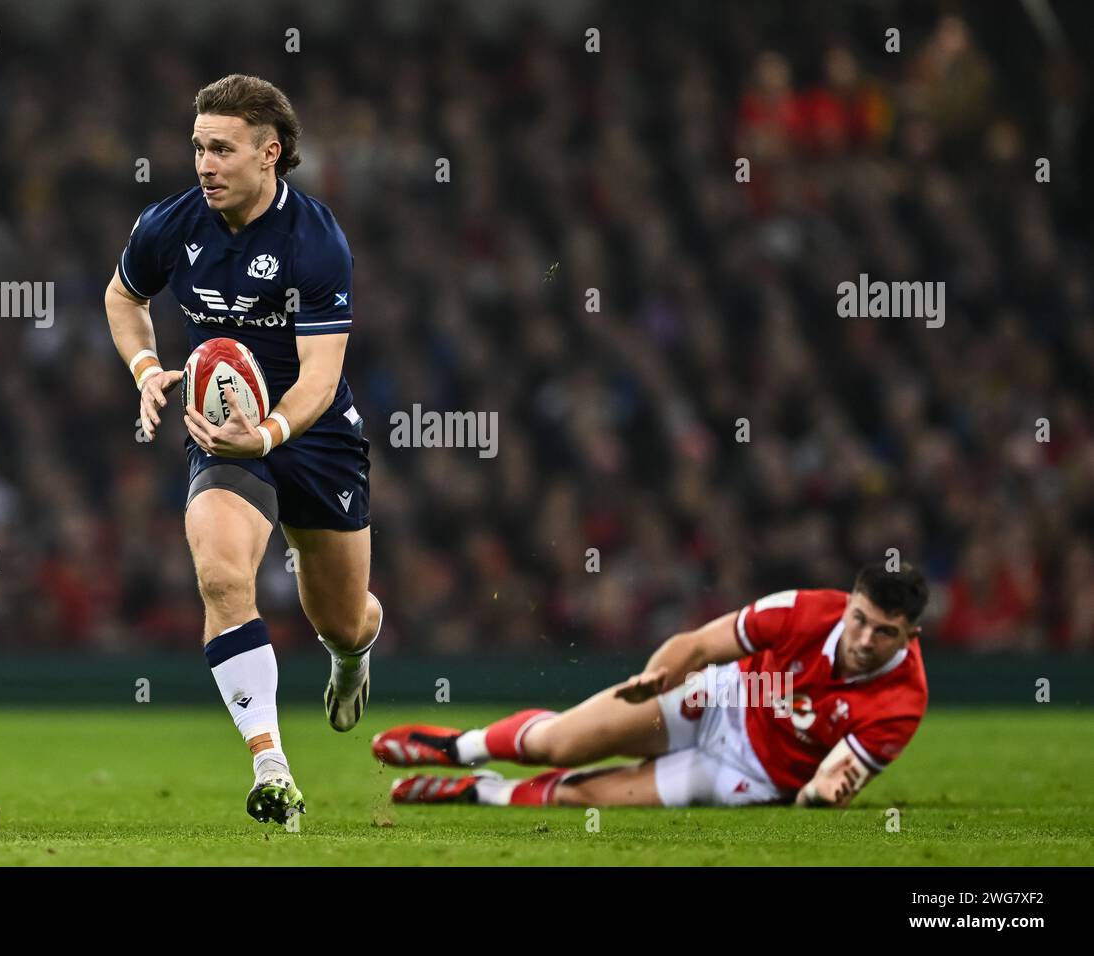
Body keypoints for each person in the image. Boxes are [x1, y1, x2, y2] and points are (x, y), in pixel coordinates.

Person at [104, 74, 381, 824]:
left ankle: (353, 657)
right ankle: (272, 764)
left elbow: (322, 379)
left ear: (271, 153)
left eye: (221, 150)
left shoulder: (316, 240)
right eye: (198, 148)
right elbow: (123, 296)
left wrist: (266, 432)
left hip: (313, 434)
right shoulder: (172, 225)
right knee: (222, 576)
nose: (204, 164)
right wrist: (145, 370)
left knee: (340, 619)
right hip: (224, 433)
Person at [375, 564, 928, 810]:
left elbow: (829, 788)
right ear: (849, 602)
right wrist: (657, 677)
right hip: (720, 700)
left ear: (910, 635)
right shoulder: (806, 610)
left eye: (885, 632)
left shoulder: (903, 701)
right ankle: (460, 748)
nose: (863, 637)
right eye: (859, 618)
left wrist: (818, 799)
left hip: (746, 776)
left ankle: (482, 792)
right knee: (559, 744)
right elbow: (699, 645)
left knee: (581, 796)